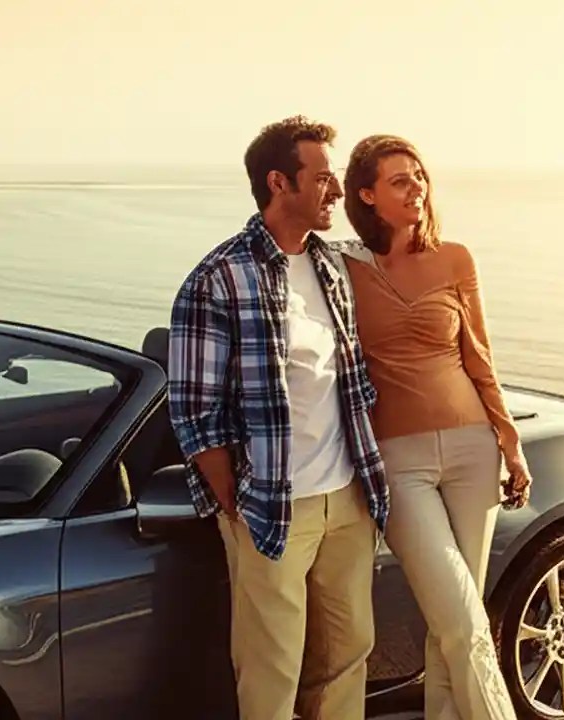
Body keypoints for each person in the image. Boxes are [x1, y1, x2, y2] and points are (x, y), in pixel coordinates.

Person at [166, 115, 389, 720]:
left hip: (347, 497)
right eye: (322, 179)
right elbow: (193, 412)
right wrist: (236, 504)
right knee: (272, 668)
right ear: (278, 182)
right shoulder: (216, 280)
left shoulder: (333, 268)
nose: (336, 192)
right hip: (271, 507)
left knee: (347, 656)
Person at [337, 133, 532, 720]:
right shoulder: (341, 267)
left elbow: (479, 356)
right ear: (367, 194)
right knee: (459, 614)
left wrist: (511, 443)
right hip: (399, 460)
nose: (416, 187)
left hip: (474, 450)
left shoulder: (455, 258)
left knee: (455, 619)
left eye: (419, 175)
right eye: (400, 180)